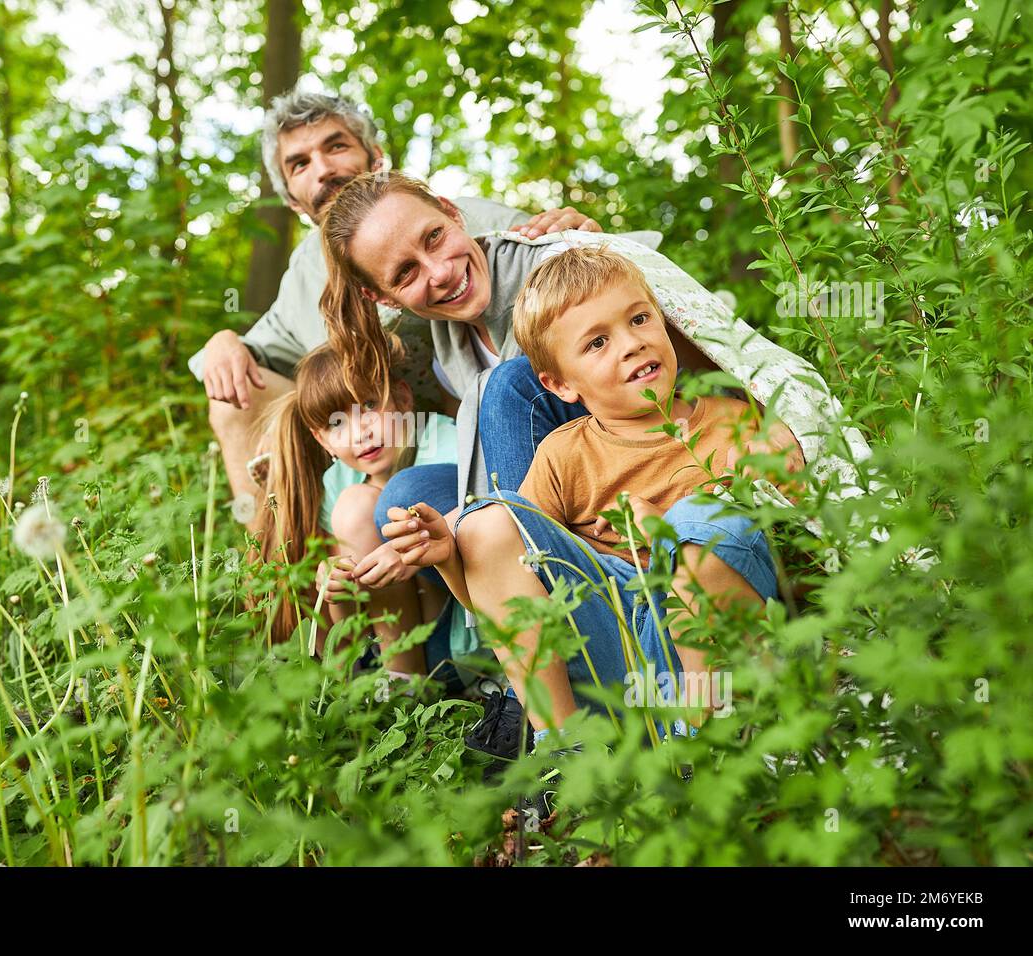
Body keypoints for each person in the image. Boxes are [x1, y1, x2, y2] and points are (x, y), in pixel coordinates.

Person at [381, 244, 806, 745]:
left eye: (640, 319)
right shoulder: (565, 455)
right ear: (559, 384)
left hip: (716, 649)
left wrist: (664, 530)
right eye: (598, 342)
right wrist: (452, 557)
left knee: (706, 523)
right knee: (488, 522)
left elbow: (794, 539)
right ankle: (563, 747)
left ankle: (705, 741)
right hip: (613, 646)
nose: (632, 344)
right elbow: (508, 586)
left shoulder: (737, 423)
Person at [192, 90, 601, 530]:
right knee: (232, 401)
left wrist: (579, 238)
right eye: (300, 163)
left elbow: (562, 261)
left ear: (376, 158)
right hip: (374, 455)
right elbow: (261, 350)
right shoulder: (304, 275)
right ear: (292, 199)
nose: (324, 169)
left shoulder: (458, 222)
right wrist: (223, 341)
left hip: (484, 434)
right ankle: (277, 575)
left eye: (336, 145)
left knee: (497, 397)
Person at [257, 343, 462, 687]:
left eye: (368, 406)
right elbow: (352, 609)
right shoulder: (339, 481)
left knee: (385, 501)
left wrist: (411, 551)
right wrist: (333, 581)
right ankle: (356, 685)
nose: (360, 432)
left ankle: (404, 686)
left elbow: (484, 510)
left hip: (455, 631)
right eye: (337, 423)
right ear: (322, 441)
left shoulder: (441, 441)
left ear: (403, 398)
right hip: (383, 639)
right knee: (339, 538)